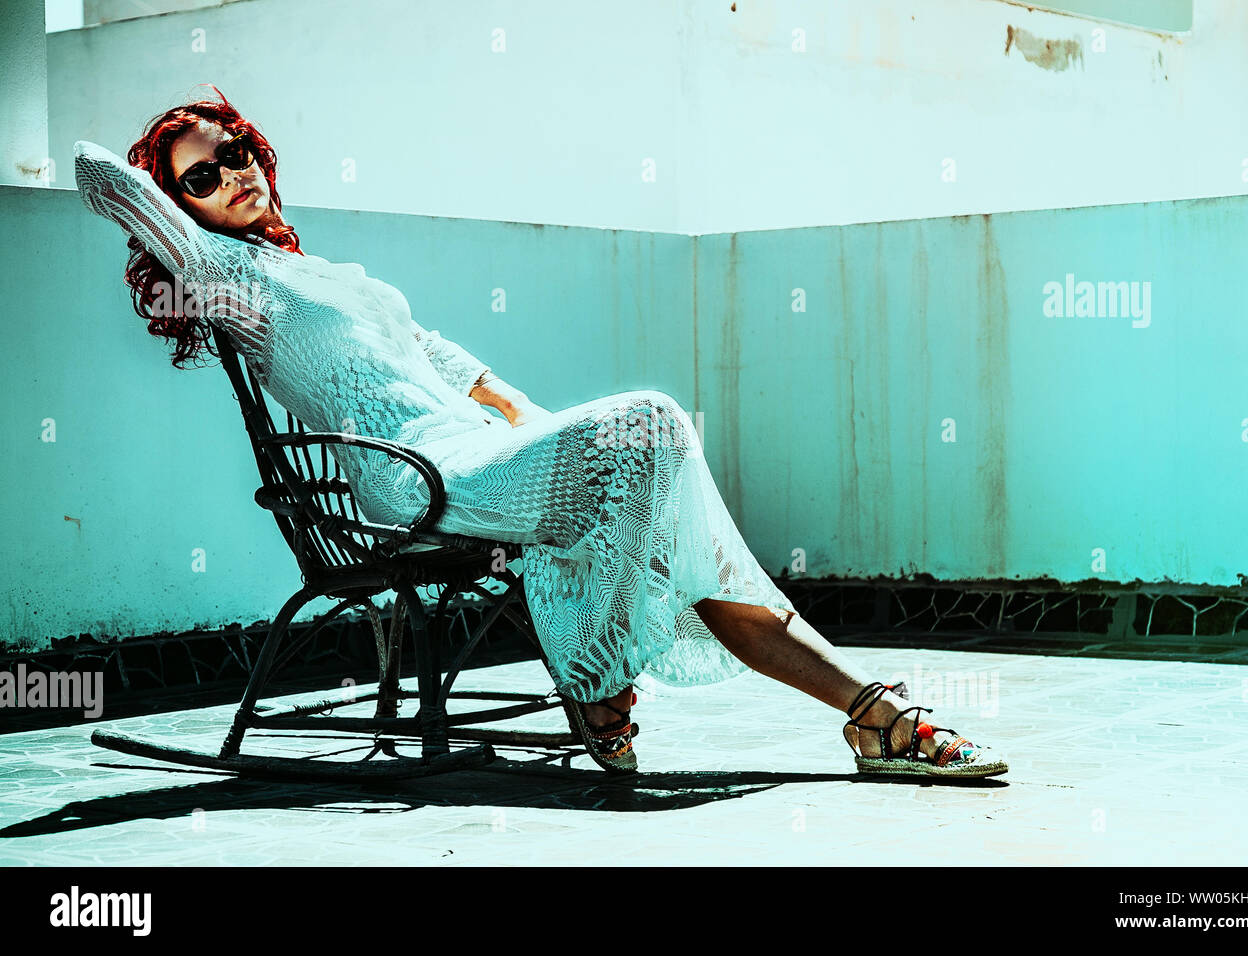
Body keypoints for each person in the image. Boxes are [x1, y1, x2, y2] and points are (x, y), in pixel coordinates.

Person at [73, 85, 1007, 779]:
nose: (231, 173)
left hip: (478, 452)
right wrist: (164, 194)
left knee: (691, 540)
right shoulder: (229, 283)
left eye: (235, 150)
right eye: (202, 175)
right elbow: (94, 171)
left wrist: (535, 420)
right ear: (178, 212)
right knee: (649, 420)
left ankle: (869, 712)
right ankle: (593, 669)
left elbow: (437, 355)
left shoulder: (327, 273)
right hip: (416, 478)